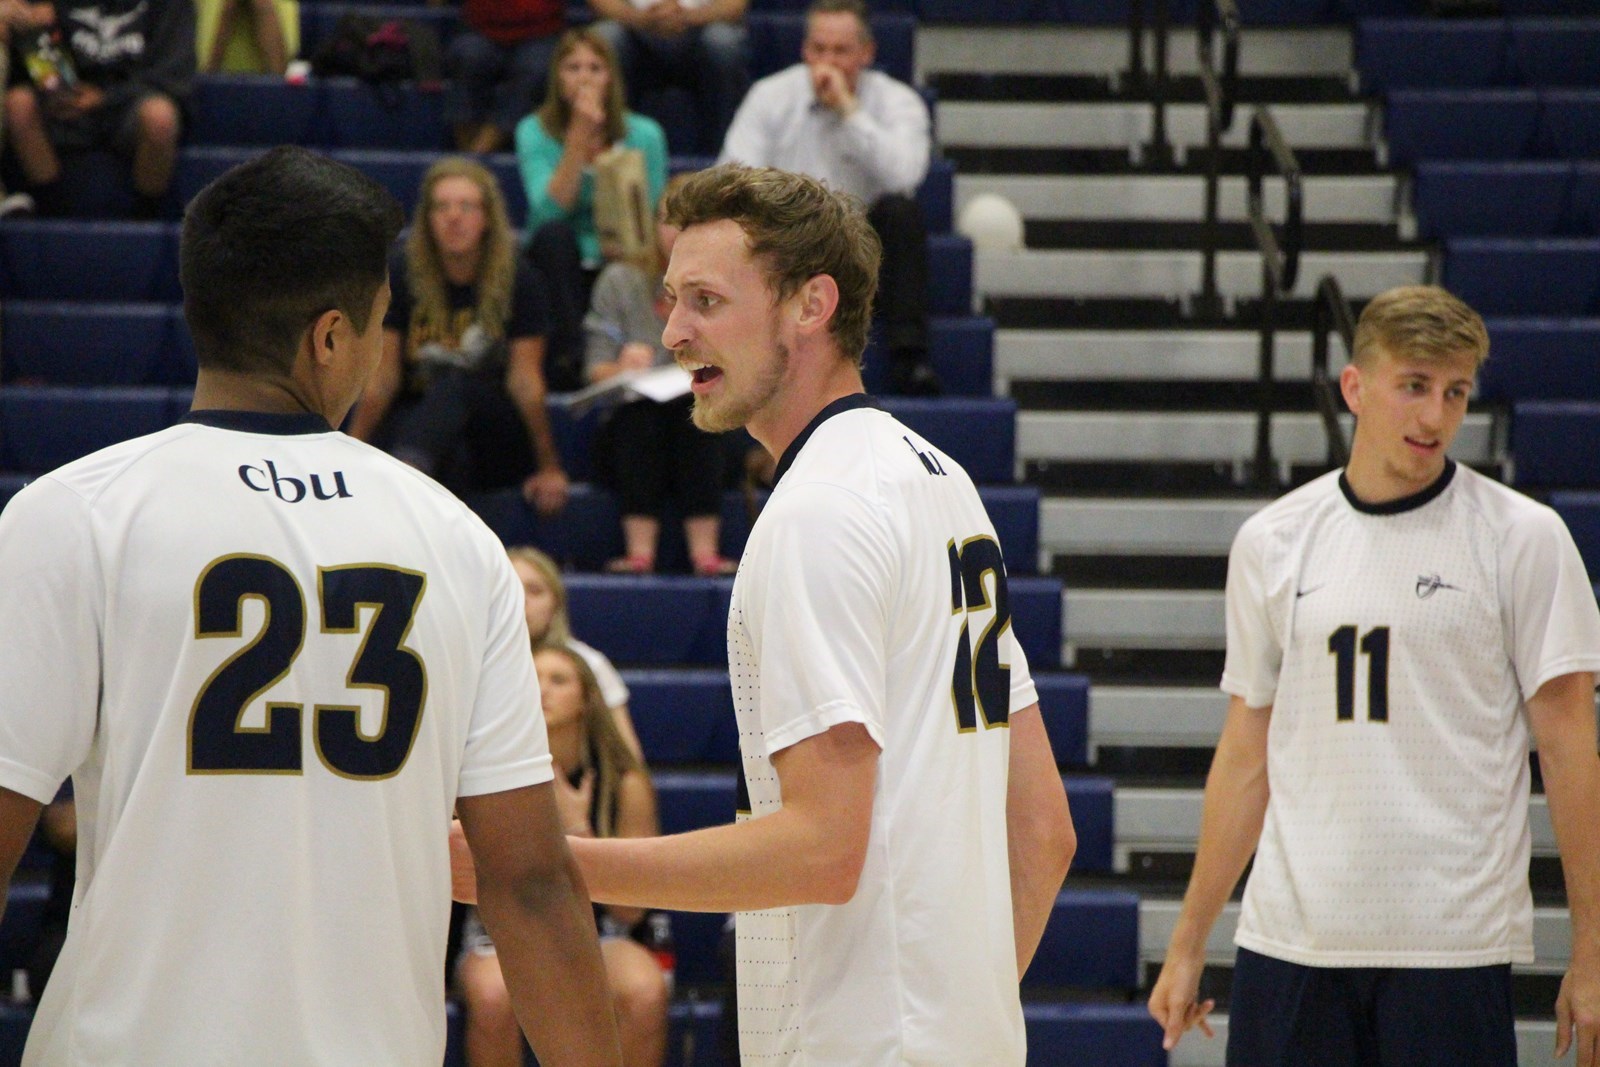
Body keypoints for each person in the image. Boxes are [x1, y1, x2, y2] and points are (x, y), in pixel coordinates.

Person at [0, 145, 620, 1065]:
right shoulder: (454, 538)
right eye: (377, 324)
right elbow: (529, 882)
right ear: (330, 338)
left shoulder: (72, 512)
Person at [491, 162, 1077, 1064]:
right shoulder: (942, 480)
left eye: (706, 301)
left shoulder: (818, 510)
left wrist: (543, 864)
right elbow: (1044, 828)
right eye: (671, 298)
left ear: (811, 306)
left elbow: (820, 847)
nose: (674, 331)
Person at [1147, 284, 1600, 1067]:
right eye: (1414, 386)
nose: (1434, 416)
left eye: (1455, 392)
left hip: (1450, 948)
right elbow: (1245, 755)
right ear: (1356, 387)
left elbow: (1569, 754)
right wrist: (1189, 941)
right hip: (1291, 940)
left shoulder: (1524, 540)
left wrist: (1592, 950)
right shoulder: (1274, 539)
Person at [459, 643, 668, 1067]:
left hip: (603, 931)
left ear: (586, 699)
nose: (542, 690)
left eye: (558, 680)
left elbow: (630, 910)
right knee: (493, 995)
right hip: (497, 928)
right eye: (532, 678)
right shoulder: (479, 772)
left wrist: (577, 830)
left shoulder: (624, 782)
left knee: (645, 990)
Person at [718, 0, 940, 397]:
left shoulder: (898, 101)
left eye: (840, 51)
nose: (828, 62)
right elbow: (733, 175)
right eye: (819, 49)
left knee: (903, 212)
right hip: (791, 232)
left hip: (866, 240)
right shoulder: (770, 96)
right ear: (805, 50)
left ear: (866, 53)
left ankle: (909, 358)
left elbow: (906, 175)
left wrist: (850, 113)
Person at [349, 156, 570, 515]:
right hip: (423, 424)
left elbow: (525, 381)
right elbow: (383, 377)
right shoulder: (402, 273)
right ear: (428, 219)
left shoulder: (520, 277)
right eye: (442, 207)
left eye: (467, 206)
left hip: (495, 431)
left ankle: (408, 473)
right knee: (449, 455)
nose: (454, 217)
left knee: (457, 385)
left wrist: (549, 466)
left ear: (487, 218)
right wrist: (349, 449)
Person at [584, 172, 733, 576]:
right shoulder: (622, 280)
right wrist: (621, 367)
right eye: (670, 220)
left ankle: (706, 553)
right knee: (642, 420)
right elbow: (595, 369)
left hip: (707, 414)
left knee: (698, 415)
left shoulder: (732, 286)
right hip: (633, 420)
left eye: (693, 225)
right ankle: (640, 553)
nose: (678, 234)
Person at [517, 26, 667, 392]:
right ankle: (572, 359)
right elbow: (546, 212)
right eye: (573, 67)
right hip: (564, 262)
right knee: (554, 237)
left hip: (626, 254)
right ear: (557, 77)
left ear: (611, 76)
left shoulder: (645, 133)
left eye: (594, 68)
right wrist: (579, 136)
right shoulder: (533, 130)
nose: (584, 77)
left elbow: (652, 215)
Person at [3, 0, 194, 217]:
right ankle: (51, 215)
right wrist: (30, 28)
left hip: (132, 104)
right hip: (66, 104)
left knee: (160, 116)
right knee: (18, 103)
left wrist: (106, 98)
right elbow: (28, 61)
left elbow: (173, 79)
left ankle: (147, 220)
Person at [508, 544, 644, 759]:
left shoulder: (589, 662)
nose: (521, 600)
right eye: (510, 589)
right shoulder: (468, 661)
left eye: (535, 591)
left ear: (556, 604)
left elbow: (628, 761)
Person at [587, 0, 748, 156]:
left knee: (722, 42)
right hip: (633, 25)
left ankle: (722, 155)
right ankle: (610, 153)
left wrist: (686, 17)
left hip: (702, 24)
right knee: (606, 38)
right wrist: (641, 18)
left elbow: (734, 5)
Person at [444, 0, 562, 154]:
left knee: (536, 69)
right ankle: (466, 152)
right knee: (468, 56)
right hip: (480, 28)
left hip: (542, 32)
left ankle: (477, 154)